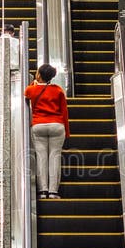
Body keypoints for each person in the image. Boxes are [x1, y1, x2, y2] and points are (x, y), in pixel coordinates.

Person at [25, 64, 70, 198]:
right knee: (55, 157)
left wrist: (35, 82)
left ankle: (43, 191)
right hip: (57, 126)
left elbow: (27, 91)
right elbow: (64, 112)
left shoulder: (31, 90)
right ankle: (53, 191)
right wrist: (67, 132)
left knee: (41, 158)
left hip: (38, 125)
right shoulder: (58, 90)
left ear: (39, 75)